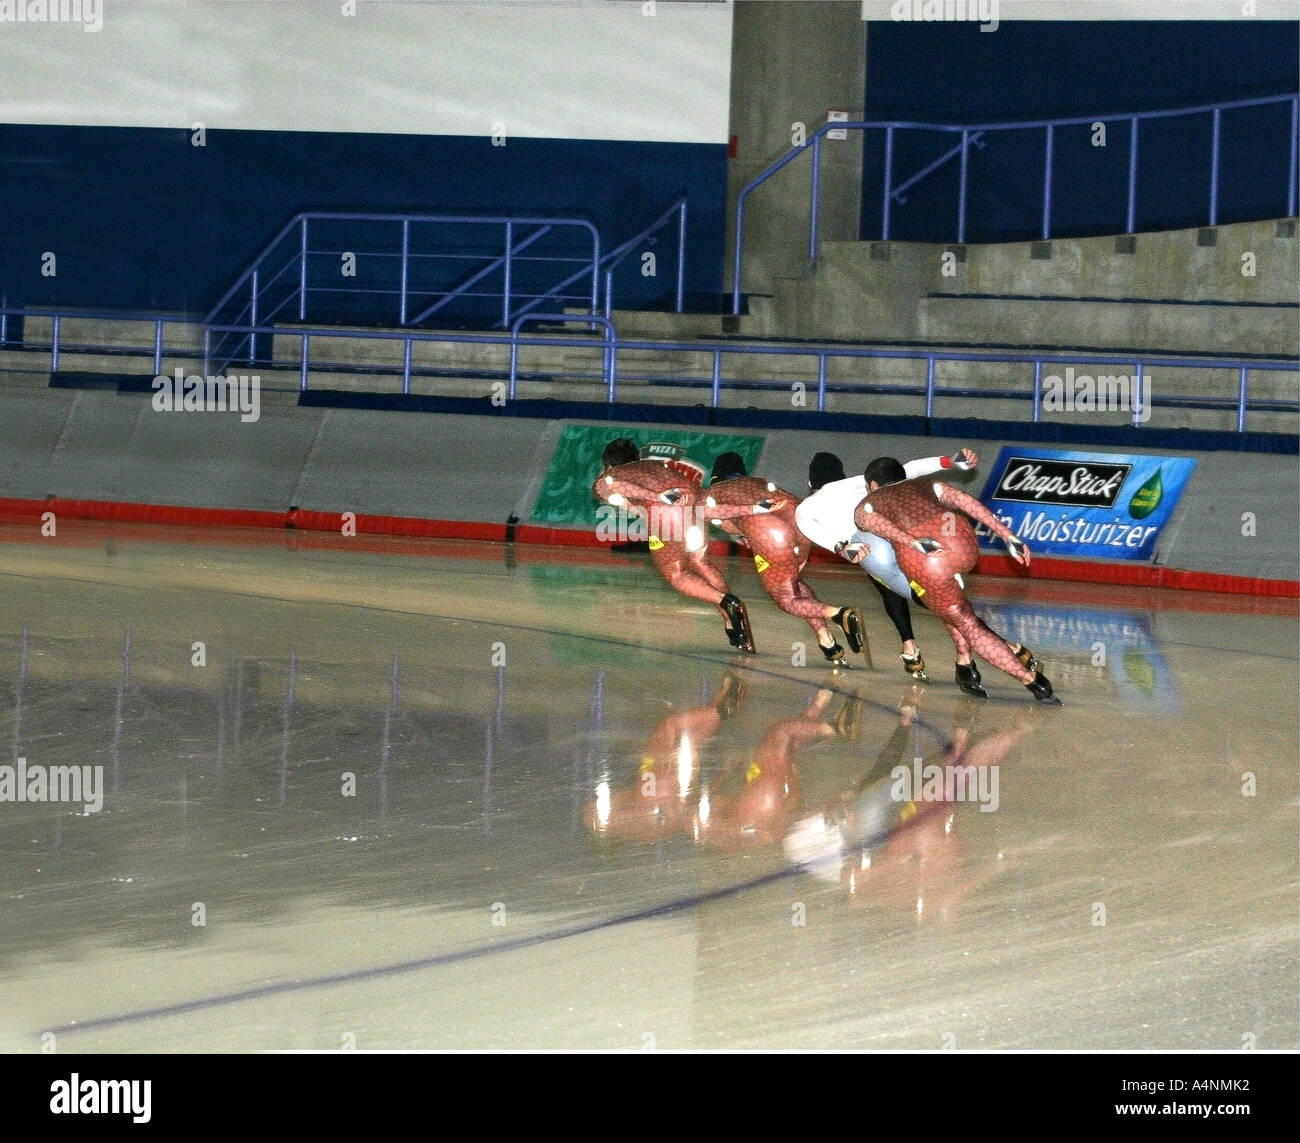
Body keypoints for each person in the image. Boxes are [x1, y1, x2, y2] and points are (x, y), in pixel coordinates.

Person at [852, 458, 1060, 702]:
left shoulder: (868, 502)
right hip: (963, 543)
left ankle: (1033, 682)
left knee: (966, 622)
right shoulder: (927, 484)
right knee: (951, 607)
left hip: (929, 559)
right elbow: (966, 502)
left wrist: (912, 541)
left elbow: (874, 523)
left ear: (873, 484)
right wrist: (1006, 535)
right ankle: (964, 664)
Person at [796, 449, 977, 682]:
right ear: (841, 472)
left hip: (869, 549)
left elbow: (805, 524)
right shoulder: (860, 482)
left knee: (924, 596)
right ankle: (954, 655)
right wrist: (948, 461)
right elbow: (909, 468)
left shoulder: (810, 504)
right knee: (929, 592)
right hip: (900, 533)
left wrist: (839, 547)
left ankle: (916, 648)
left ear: (812, 481)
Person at [593, 438, 770, 652]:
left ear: (609, 465)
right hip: (694, 503)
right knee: (701, 563)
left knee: (676, 575)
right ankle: (730, 622)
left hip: (667, 512)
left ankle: (725, 601)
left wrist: (652, 495)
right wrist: (739, 531)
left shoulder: (615, 475)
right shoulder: (657, 467)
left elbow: (608, 488)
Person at [703, 452, 866, 669]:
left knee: (785, 598)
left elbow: (708, 512)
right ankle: (827, 641)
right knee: (794, 584)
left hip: (772, 533)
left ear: (715, 476)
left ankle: (838, 614)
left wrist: (747, 518)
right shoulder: (758, 482)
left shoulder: (714, 491)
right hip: (801, 521)